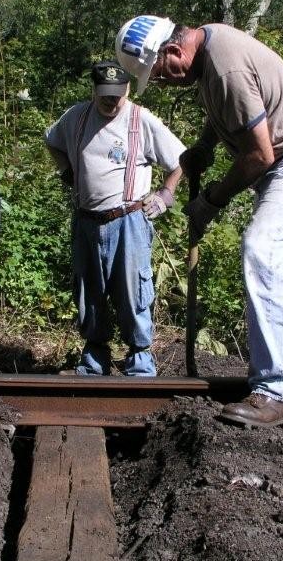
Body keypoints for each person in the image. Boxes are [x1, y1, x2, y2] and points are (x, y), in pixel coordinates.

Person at [115, 16, 283, 426]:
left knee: (264, 250)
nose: (163, 82)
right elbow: (232, 107)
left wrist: (210, 202)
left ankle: (276, 391)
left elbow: (259, 155)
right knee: (266, 252)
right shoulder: (209, 50)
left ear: (172, 50)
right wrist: (204, 146)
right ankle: (271, 382)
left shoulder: (224, 65)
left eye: (160, 73)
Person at [44, 60, 184, 376]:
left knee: (133, 290)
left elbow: (179, 161)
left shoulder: (141, 120)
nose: (110, 101)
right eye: (104, 94)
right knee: (89, 291)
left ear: (128, 90)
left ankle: (140, 359)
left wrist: (166, 194)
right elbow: (51, 141)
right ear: (93, 90)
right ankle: (95, 358)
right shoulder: (76, 117)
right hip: (86, 220)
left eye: (117, 95)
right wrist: (68, 171)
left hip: (129, 220)